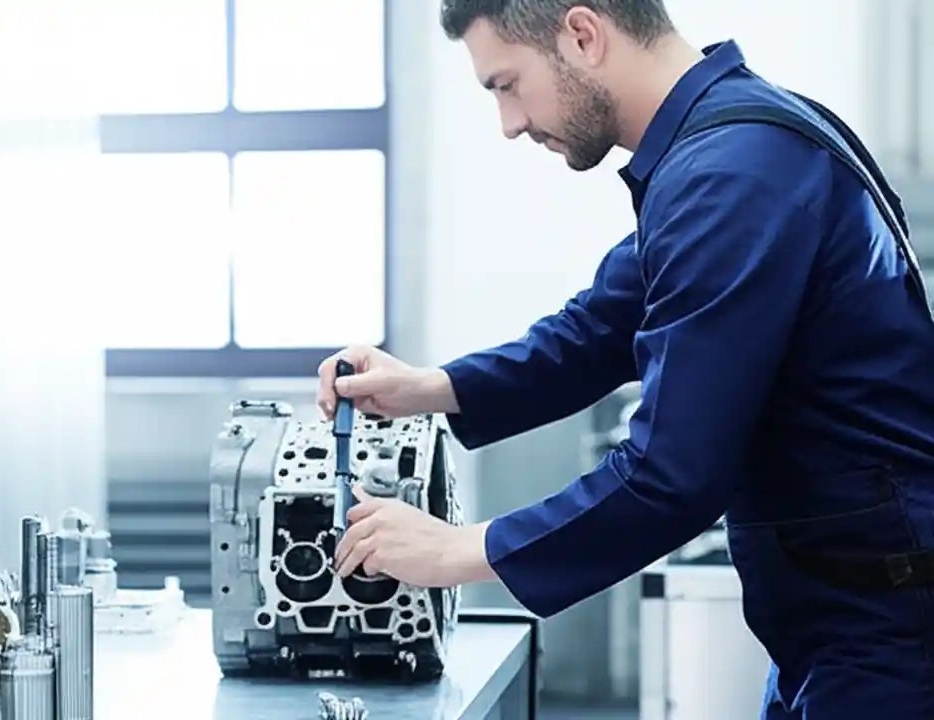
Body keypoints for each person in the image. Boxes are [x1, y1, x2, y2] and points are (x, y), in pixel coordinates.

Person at [317, 2, 934, 718]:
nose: (509, 123)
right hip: (840, 618)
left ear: (582, 34)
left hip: (887, 632)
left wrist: (457, 551)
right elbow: (598, 329)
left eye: (506, 84)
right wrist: (428, 388)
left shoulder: (730, 173)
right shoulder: (721, 145)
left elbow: (670, 475)